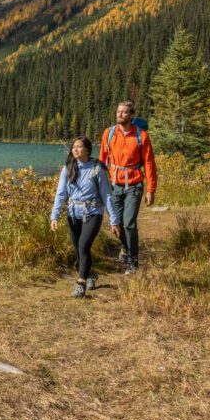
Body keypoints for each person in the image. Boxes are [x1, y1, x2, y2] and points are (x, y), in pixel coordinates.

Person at [50, 137, 115, 297]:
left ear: (87, 150)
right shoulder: (68, 168)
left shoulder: (97, 169)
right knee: (79, 250)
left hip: (93, 213)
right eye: (74, 147)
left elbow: (107, 195)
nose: (75, 149)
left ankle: (80, 284)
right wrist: (54, 215)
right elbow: (60, 194)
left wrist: (114, 220)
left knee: (83, 246)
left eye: (79, 147)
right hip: (73, 214)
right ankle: (90, 274)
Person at [100, 100, 156, 274]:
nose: (120, 114)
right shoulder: (109, 133)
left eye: (124, 112)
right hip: (114, 185)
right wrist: (98, 185)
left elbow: (149, 163)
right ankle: (125, 247)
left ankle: (133, 262)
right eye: (118, 111)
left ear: (131, 115)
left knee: (129, 224)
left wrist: (151, 190)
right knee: (116, 223)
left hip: (134, 185)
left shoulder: (141, 135)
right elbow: (102, 160)